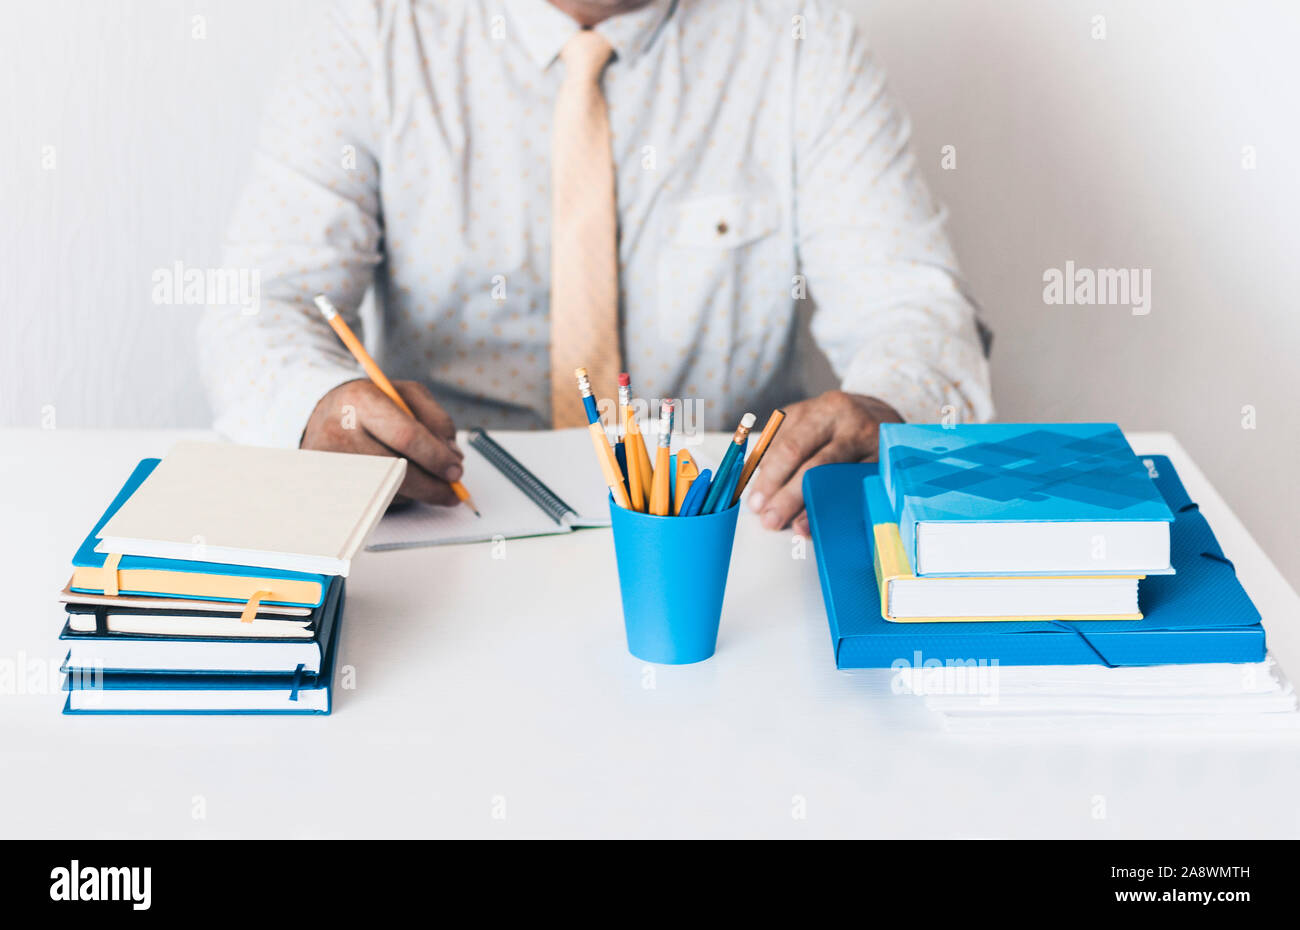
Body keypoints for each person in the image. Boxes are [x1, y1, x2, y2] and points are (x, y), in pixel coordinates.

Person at [199, 0, 993, 535]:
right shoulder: (373, 34)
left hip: (727, 522)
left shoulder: (799, 37)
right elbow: (260, 305)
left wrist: (885, 411)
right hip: (452, 514)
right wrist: (320, 412)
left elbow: (910, 305)